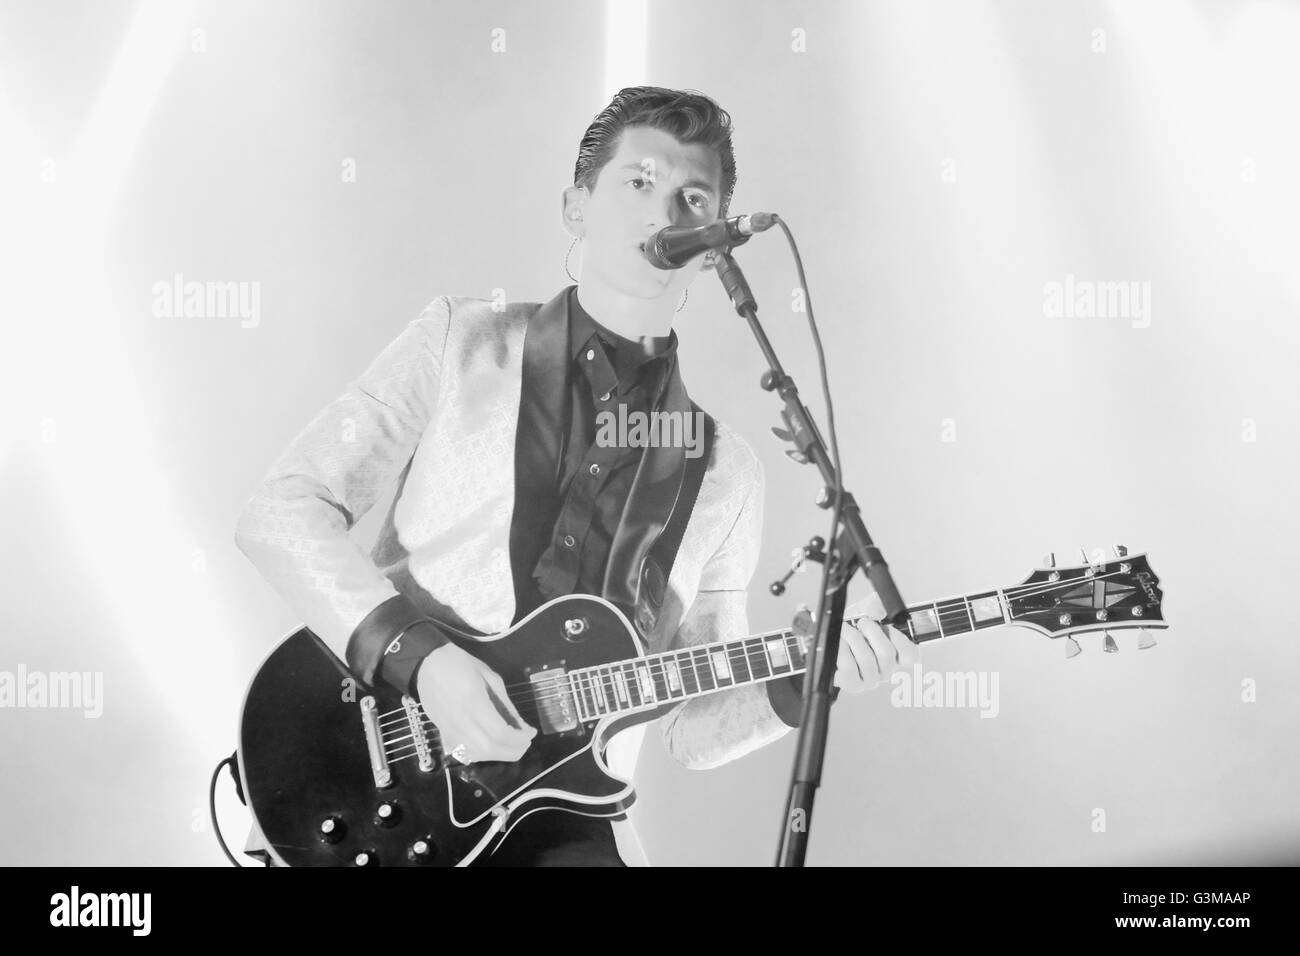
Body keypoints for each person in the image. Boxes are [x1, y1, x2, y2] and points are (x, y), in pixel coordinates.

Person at [234, 86, 916, 867]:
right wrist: (425, 662)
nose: (667, 209)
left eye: (693, 196)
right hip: (375, 772)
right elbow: (281, 511)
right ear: (576, 208)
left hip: (564, 824)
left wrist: (805, 684)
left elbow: (692, 728)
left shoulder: (727, 474)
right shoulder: (462, 343)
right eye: (639, 182)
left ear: (713, 242)